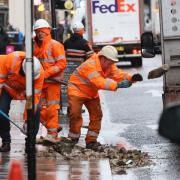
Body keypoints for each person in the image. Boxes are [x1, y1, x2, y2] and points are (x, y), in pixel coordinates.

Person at [67, 45, 143, 150]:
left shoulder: (108, 65)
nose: (111, 64)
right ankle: (73, 138)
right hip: (77, 90)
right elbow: (100, 82)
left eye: (113, 62)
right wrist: (118, 85)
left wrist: (131, 77)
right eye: (110, 61)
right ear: (102, 58)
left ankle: (91, 141)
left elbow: (117, 74)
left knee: (97, 115)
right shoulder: (90, 65)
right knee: (75, 114)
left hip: (91, 92)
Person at [0, 51, 44, 152]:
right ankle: (6, 141)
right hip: (8, 89)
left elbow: (33, 99)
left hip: (26, 91)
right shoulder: (10, 61)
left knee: (35, 110)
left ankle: (30, 142)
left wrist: (27, 121)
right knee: (1, 112)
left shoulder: (40, 74)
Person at [33, 19, 67, 143]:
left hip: (52, 81)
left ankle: (52, 134)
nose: (40, 33)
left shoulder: (55, 45)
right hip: (40, 81)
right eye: (37, 31)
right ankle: (52, 128)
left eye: (42, 31)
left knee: (52, 108)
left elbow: (62, 63)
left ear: (48, 31)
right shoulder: (35, 46)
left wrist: (46, 73)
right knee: (36, 107)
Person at [64, 21, 94, 115]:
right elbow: (91, 58)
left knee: (69, 89)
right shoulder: (85, 43)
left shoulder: (66, 42)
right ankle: (77, 108)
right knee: (78, 90)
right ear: (81, 31)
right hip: (80, 71)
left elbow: (62, 55)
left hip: (68, 70)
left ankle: (70, 107)